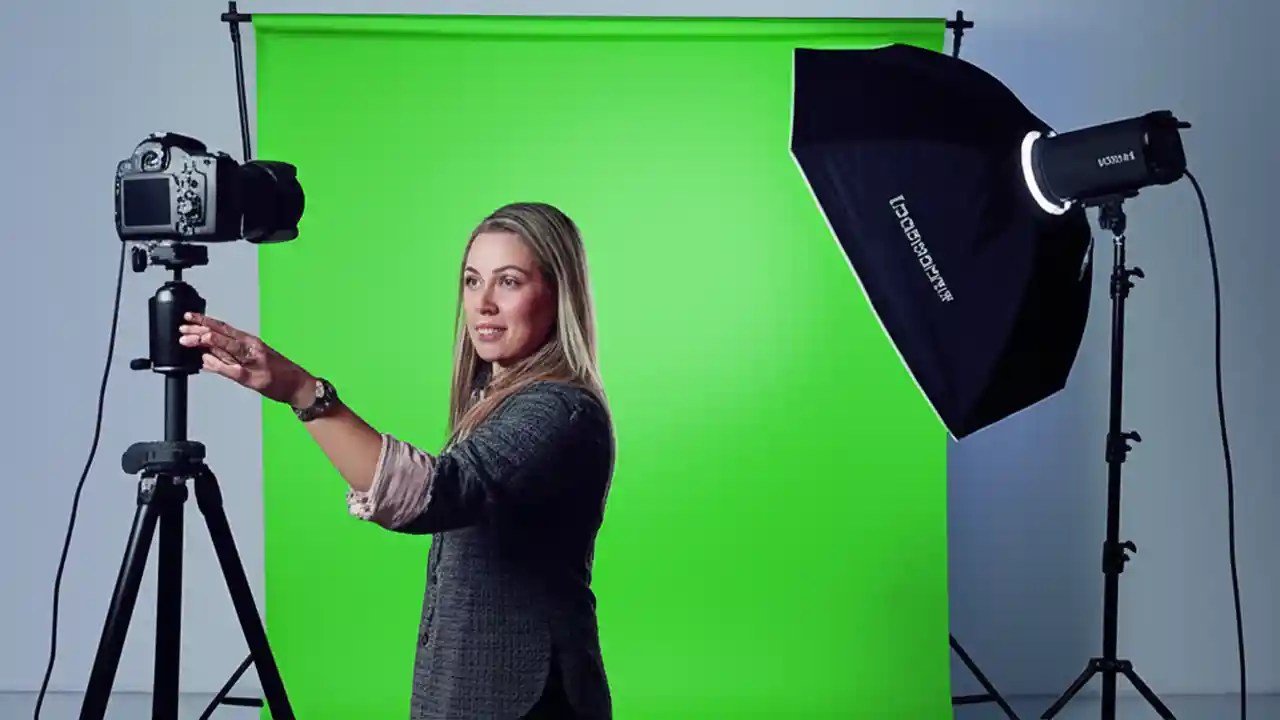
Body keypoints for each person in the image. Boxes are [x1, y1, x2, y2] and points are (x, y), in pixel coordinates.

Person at [179, 201, 616, 719]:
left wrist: (303, 392)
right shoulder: (495, 398)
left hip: (527, 700)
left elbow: (442, 492)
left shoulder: (560, 410)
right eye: (473, 281)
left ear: (559, 293)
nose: (484, 304)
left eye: (510, 282)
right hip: (467, 689)